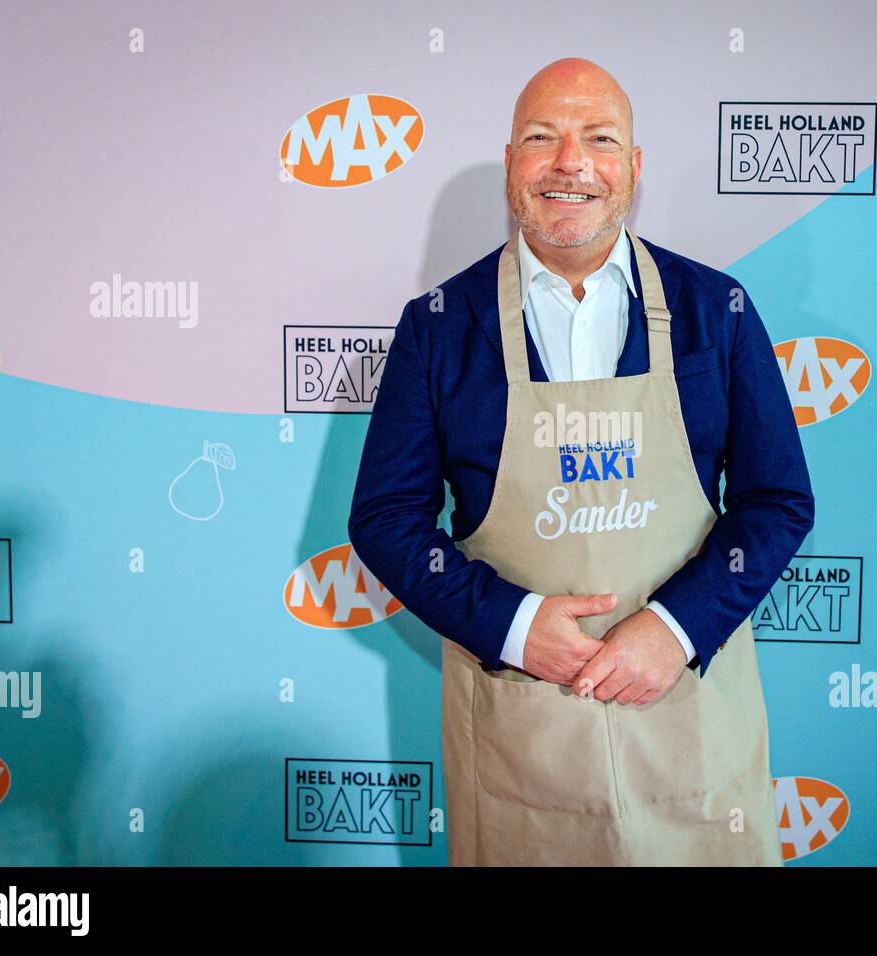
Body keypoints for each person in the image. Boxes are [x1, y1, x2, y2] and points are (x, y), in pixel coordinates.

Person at [348, 57, 815, 865]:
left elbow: (777, 500)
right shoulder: (438, 326)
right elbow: (386, 519)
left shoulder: (719, 311)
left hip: (690, 725)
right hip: (521, 735)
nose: (571, 162)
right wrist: (517, 627)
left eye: (599, 138)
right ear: (511, 165)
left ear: (632, 169)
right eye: (542, 138)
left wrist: (674, 628)